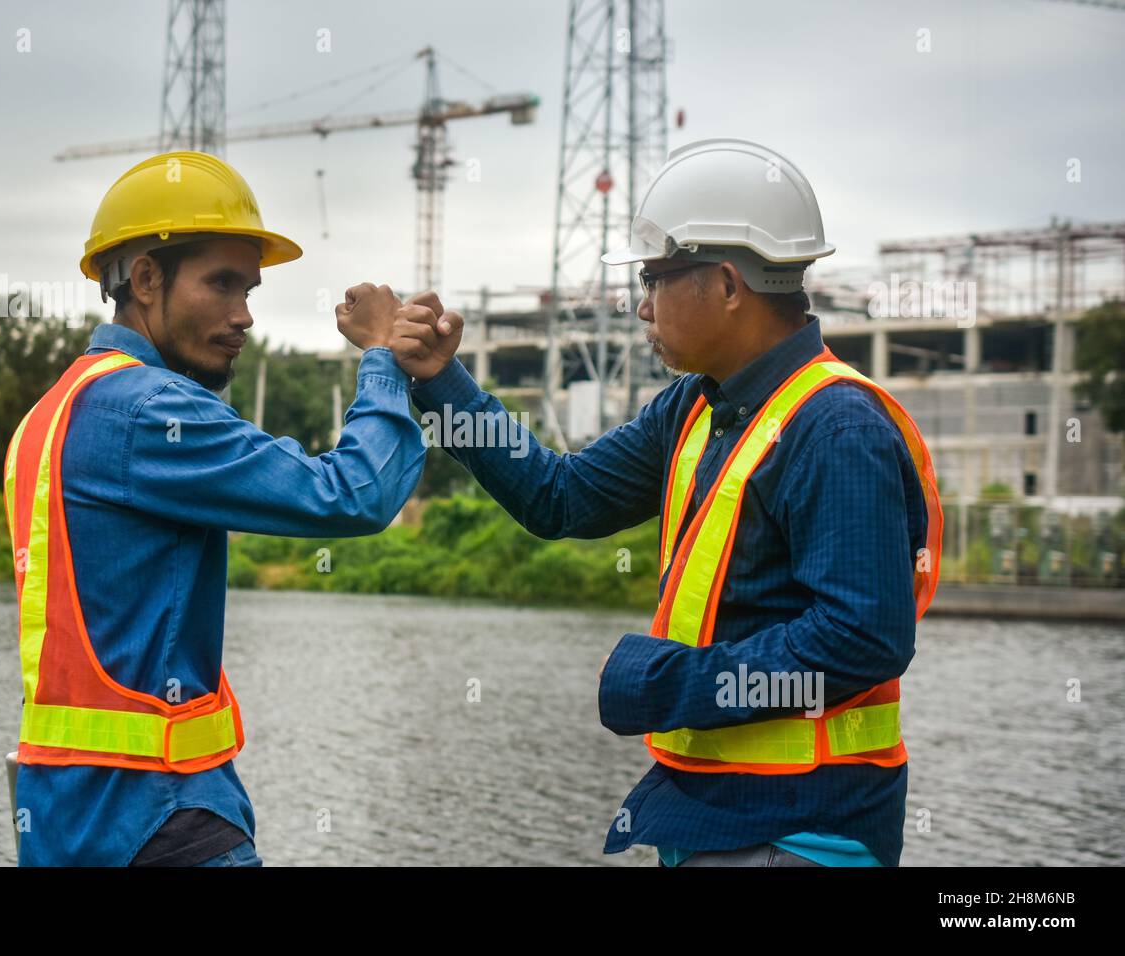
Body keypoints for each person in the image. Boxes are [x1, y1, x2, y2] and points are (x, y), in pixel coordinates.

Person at [388, 139, 943, 867]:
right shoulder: (696, 406)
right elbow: (561, 497)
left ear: (727, 284)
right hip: (715, 819)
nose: (643, 307)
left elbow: (861, 640)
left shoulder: (835, 428)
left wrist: (661, 682)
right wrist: (441, 380)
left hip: (801, 834)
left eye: (654, 280)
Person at [4, 150, 428, 866]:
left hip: (60, 821)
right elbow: (352, 493)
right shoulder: (149, 409)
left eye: (250, 289)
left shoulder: (52, 413)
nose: (245, 316)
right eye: (222, 284)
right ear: (145, 278)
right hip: (161, 820)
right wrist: (382, 360)